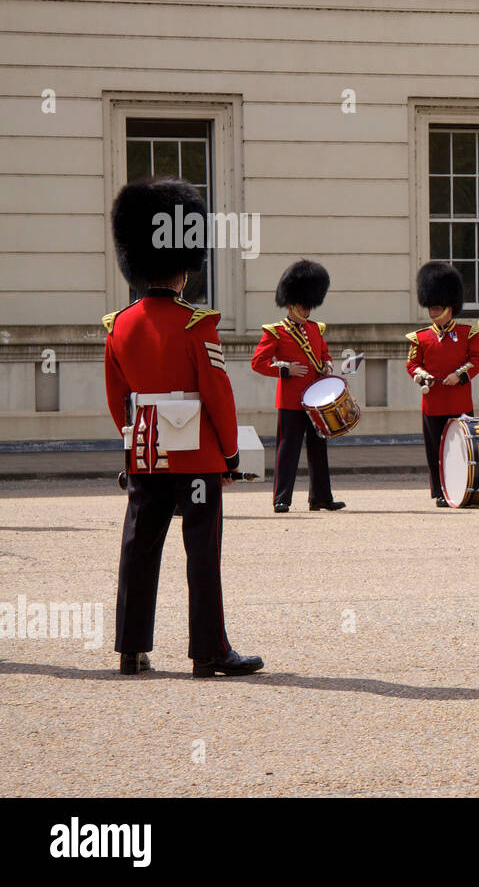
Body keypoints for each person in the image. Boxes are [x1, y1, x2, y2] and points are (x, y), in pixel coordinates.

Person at [102, 178, 263, 678]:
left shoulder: (119, 325)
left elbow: (117, 401)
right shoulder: (198, 324)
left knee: (138, 548)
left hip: (146, 452)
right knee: (202, 554)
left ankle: (131, 649)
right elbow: (218, 396)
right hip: (196, 457)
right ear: (182, 268)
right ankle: (208, 652)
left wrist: (131, 445)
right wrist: (232, 455)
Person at [251, 260, 345, 514]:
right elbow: (258, 363)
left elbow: (324, 354)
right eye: (304, 305)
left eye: (309, 305)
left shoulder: (316, 329)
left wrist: (326, 365)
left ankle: (321, 498)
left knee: (319, 449)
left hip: (316, 401)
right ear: (292, 304)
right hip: (291, 400)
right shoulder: (276, 332)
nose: (307, 310)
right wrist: (285, 369)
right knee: (287, 450)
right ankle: (281, 498)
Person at [406, 262, 479, 505]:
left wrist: (459, 375)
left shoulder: (467, 333)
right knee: (435, 451)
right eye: (432, 307)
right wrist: (422, 375)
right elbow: (412, 364)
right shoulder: (421, 337)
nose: (433, 312)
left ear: (449, 308)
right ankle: (439, 491)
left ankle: (461, 487)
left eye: (438, 307)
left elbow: (477, 360)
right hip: (433, 403)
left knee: (461, 450)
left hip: (458, 401)